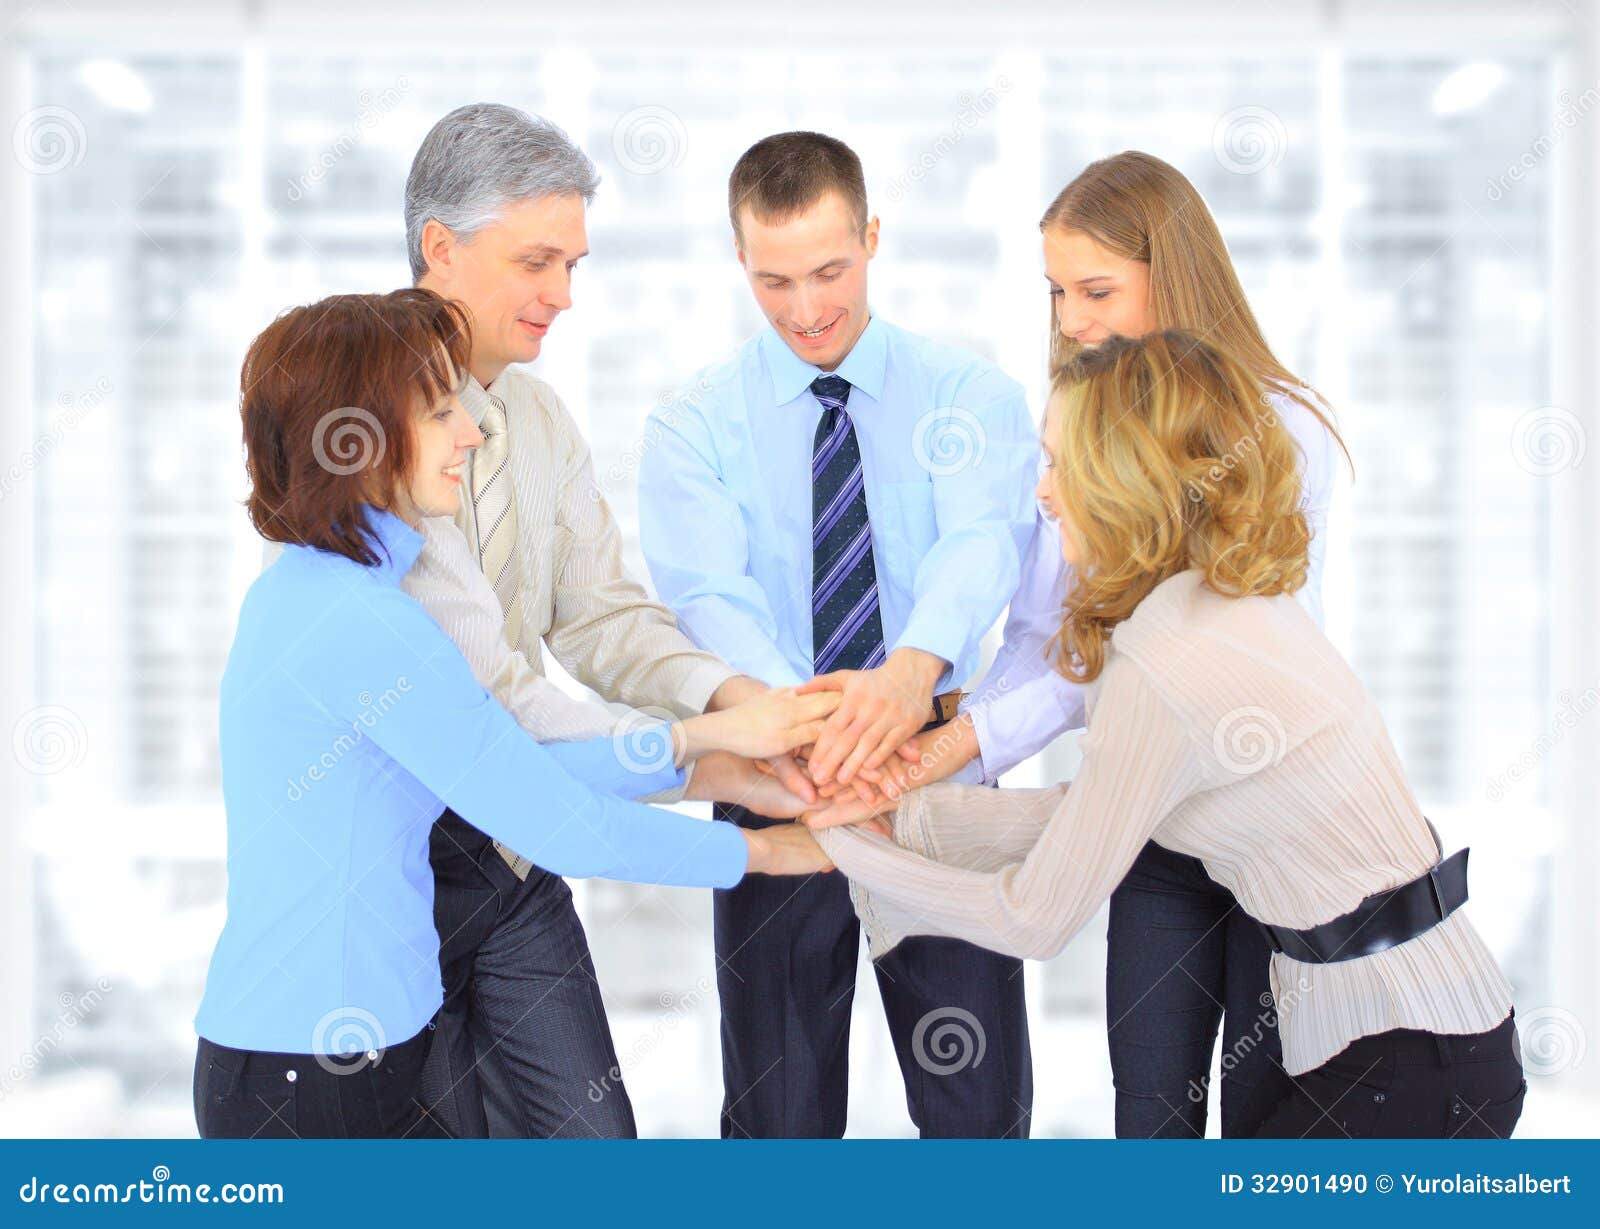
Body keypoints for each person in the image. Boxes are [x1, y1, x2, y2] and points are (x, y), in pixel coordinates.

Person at [806, 331, 1524, 1139]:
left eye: (1058, 463)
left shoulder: (1164, 656)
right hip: (1417, 1041)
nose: (1042, 495)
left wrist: (850, 848)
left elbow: (1034, 916)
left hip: (1404, 1059)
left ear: (1125, 479)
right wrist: (903, 818)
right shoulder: (1219, 594)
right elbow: (1103, 814)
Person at [193, 289, 835, 1139]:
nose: (470, 429)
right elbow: (558, 823)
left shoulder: (317, 595)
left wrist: (706, 760)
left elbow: (513, 773)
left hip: (348, 1053)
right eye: (437, 409)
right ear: (358, 442)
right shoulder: (369, 625)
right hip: (304, 1080)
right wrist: (760, 850)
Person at [836, 151, 1346, 1137]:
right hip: (1149, 823)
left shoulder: (1282, 428)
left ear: (1174, 274)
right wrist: (939, 750)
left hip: (1271, 825)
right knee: (1148, 1107)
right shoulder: (1072, 435)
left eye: (1096, 289)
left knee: (1264, 1112)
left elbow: (1204, 646)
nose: (1070, 318)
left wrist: (941, 760)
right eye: (1057, 290)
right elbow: (1053, 642)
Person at [400, 104, 823, 1138]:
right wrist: (711, 751)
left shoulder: (538, 418)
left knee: (593, 1150)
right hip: (398, 868)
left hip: (515, 859)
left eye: (573, 265)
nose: (562, 296)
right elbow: (491, 693)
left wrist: (739, 699)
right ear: (440, 248)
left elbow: (601, 618)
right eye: (537, 261)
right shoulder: (371, 416)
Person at [638, 132, 1038, 1138]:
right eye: (774, 280)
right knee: (778, 1116)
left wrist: (906, 678)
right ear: (739, 260)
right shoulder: (691, 423)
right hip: (778, 782)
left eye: (829, 270)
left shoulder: (965, 394)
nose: (807, 309)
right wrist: (816, 726)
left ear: (871, 235)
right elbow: (706, 595)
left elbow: (981, 543)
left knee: (977, 1113)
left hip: (932, 767)